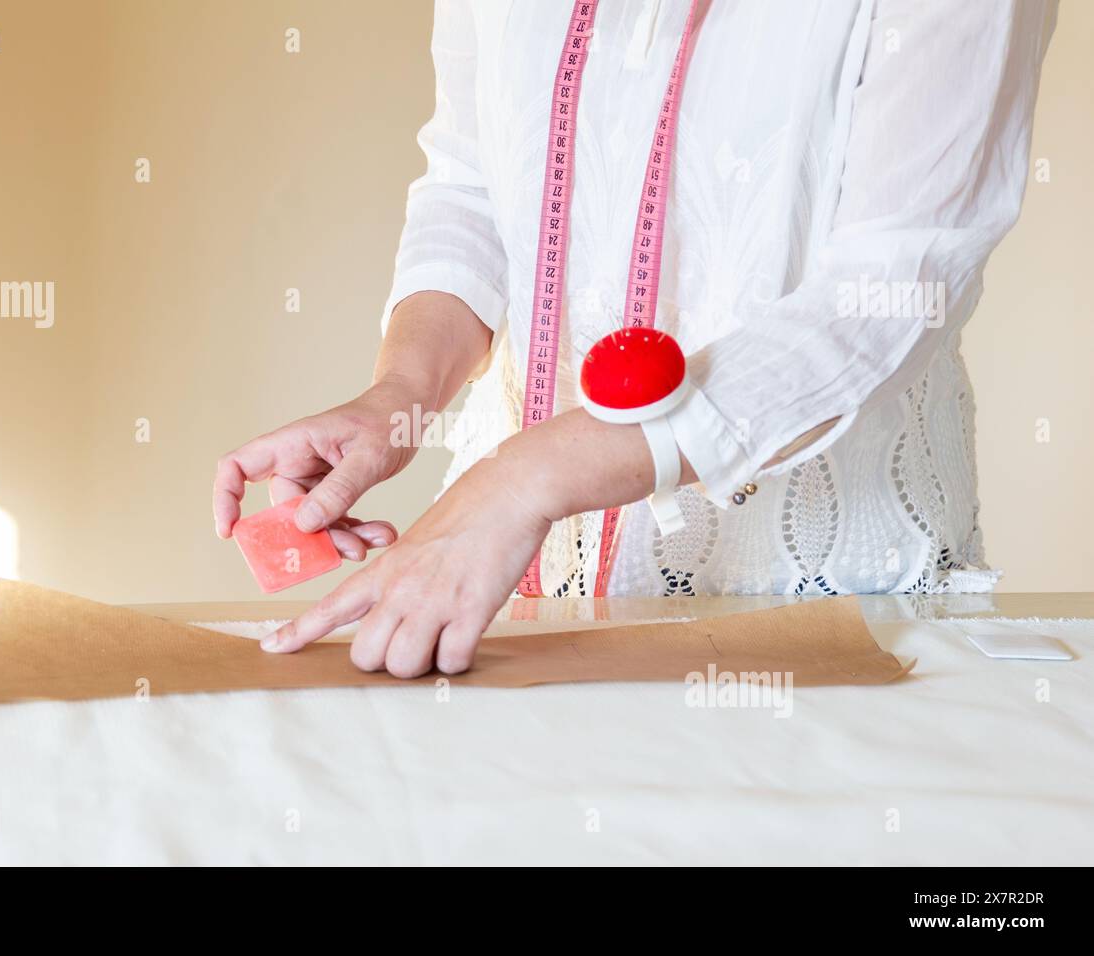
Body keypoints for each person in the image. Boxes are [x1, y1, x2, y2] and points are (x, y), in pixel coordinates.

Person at [213, 0, 1058, 678]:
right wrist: (397, 397)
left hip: (826, 604)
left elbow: (888, 287)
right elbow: (470, 188)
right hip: (518, 591)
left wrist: (519, 483)